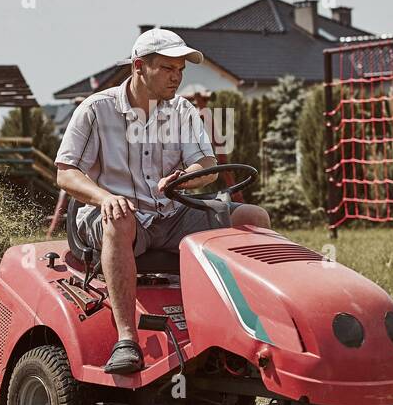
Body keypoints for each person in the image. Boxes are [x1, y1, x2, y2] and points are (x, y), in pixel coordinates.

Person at [55, 28, 271, 374]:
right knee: (120, 218)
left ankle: (253, 327)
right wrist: (105, 198)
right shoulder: (96, 110)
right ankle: (126, 340)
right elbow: (65, 174)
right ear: (139, 66)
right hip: (112, 217)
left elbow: (207, 166)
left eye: (181, 70)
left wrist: (187, 178)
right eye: (168, 69)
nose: (177, 77)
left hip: (170, 215)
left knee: (253, 217)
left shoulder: (181, 110)